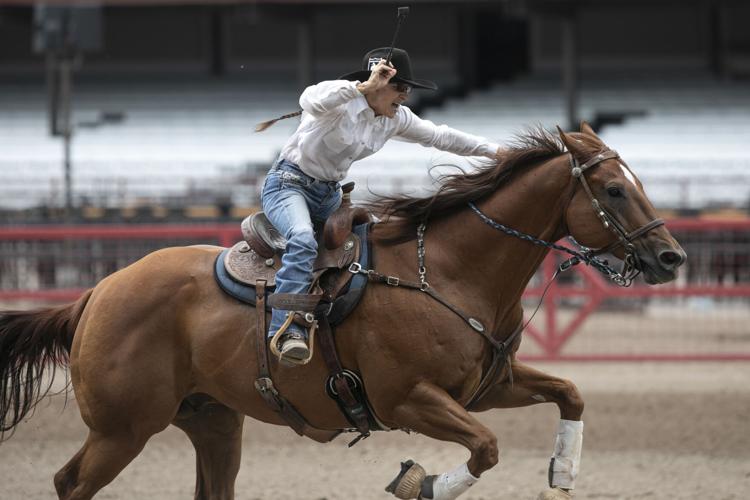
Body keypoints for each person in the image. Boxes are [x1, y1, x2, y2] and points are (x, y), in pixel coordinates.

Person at [261, 47, 502, 365]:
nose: (405, 95)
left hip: (329, 195)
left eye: (407, 89)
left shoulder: (395, 119)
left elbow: (439, 137)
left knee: (376, 244)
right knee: (303, 238)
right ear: (376, 83)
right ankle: (287, 329)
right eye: (400, 87)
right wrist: (361, 87)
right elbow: (309, 98)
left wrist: (497, 152)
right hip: (287, 185)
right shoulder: (338, 103)